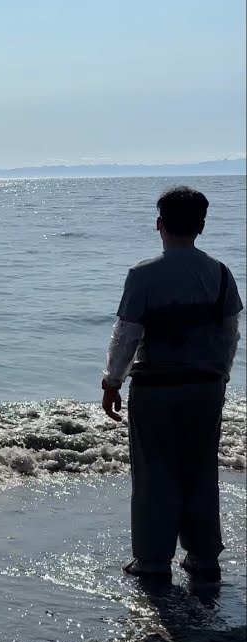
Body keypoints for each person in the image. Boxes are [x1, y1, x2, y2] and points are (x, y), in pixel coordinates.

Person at [100, 186, 242, 583]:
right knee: (200, 468)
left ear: (159, 224)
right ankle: (203, 556)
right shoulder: (220, 273)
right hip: (206, 385)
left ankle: (152, 560)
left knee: (154, 472)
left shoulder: (143, 274)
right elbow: (230, 333)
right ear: (202, 225)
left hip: (156, 387)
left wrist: (112, 381)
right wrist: (221, 375)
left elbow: (126, 334)